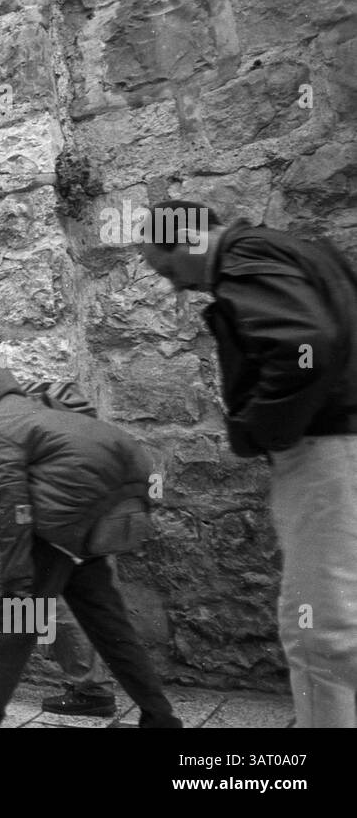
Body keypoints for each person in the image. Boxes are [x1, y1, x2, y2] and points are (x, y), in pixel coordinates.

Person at [138, 200, 357, 728]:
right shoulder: (300, 250)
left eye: (169, 270)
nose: (176, 287)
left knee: (318, 629)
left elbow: (307, 345)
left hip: (326, 451)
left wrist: (261, 429)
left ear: (190, 236)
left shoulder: (244, 257)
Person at [0, 346, 181, 728]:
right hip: (99, 504)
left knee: (18, 614)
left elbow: (11, 509)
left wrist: (15, 573)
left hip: (65, 518)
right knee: (107, 623)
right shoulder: (21, 404)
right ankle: (160, 716)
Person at [0, 374, 117, 718]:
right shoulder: (12, 400)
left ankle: (93, 688)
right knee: (24, 599)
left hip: (51, 518)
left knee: (46, 605)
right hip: (57, 513)